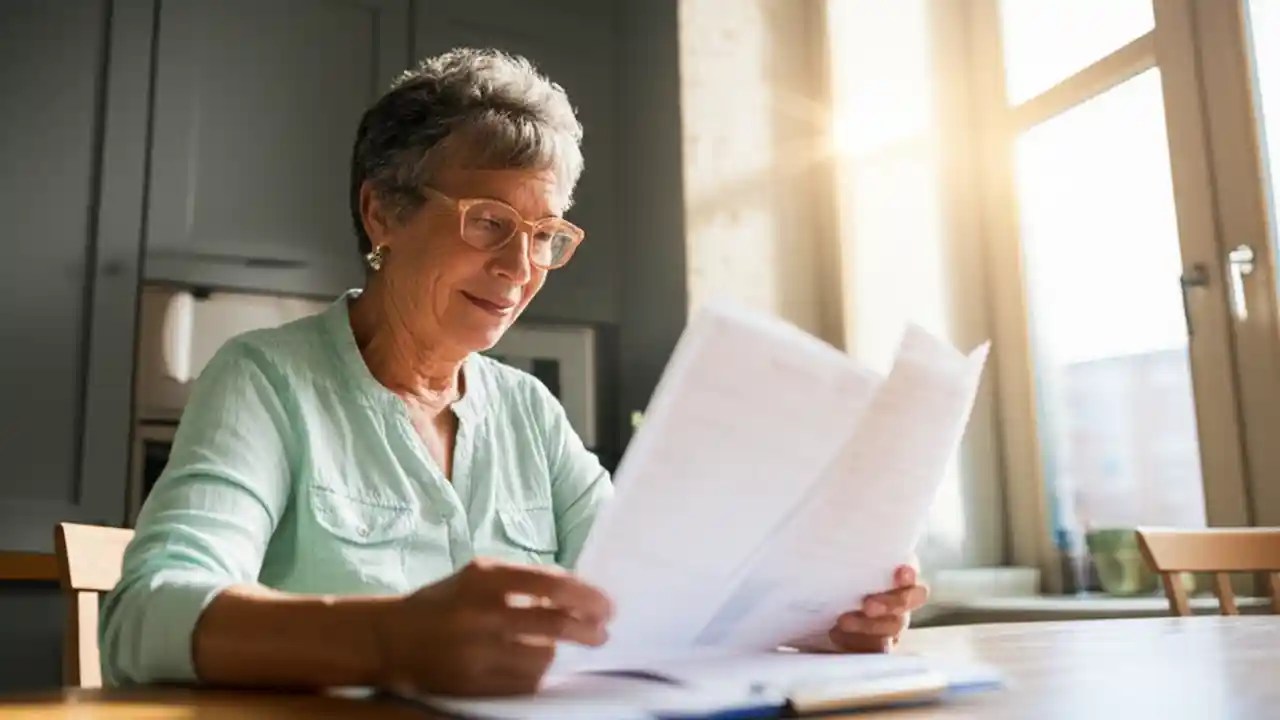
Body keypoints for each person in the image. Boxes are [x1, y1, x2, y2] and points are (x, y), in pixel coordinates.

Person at [100, 48, 929, 696]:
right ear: (382, 211)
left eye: (545, 235)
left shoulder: (530, 412)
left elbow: (650, 598)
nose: (519, 267)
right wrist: (394, 640)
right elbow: (146, 615)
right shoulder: (266, 381)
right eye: (489, 221)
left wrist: (820, 624)